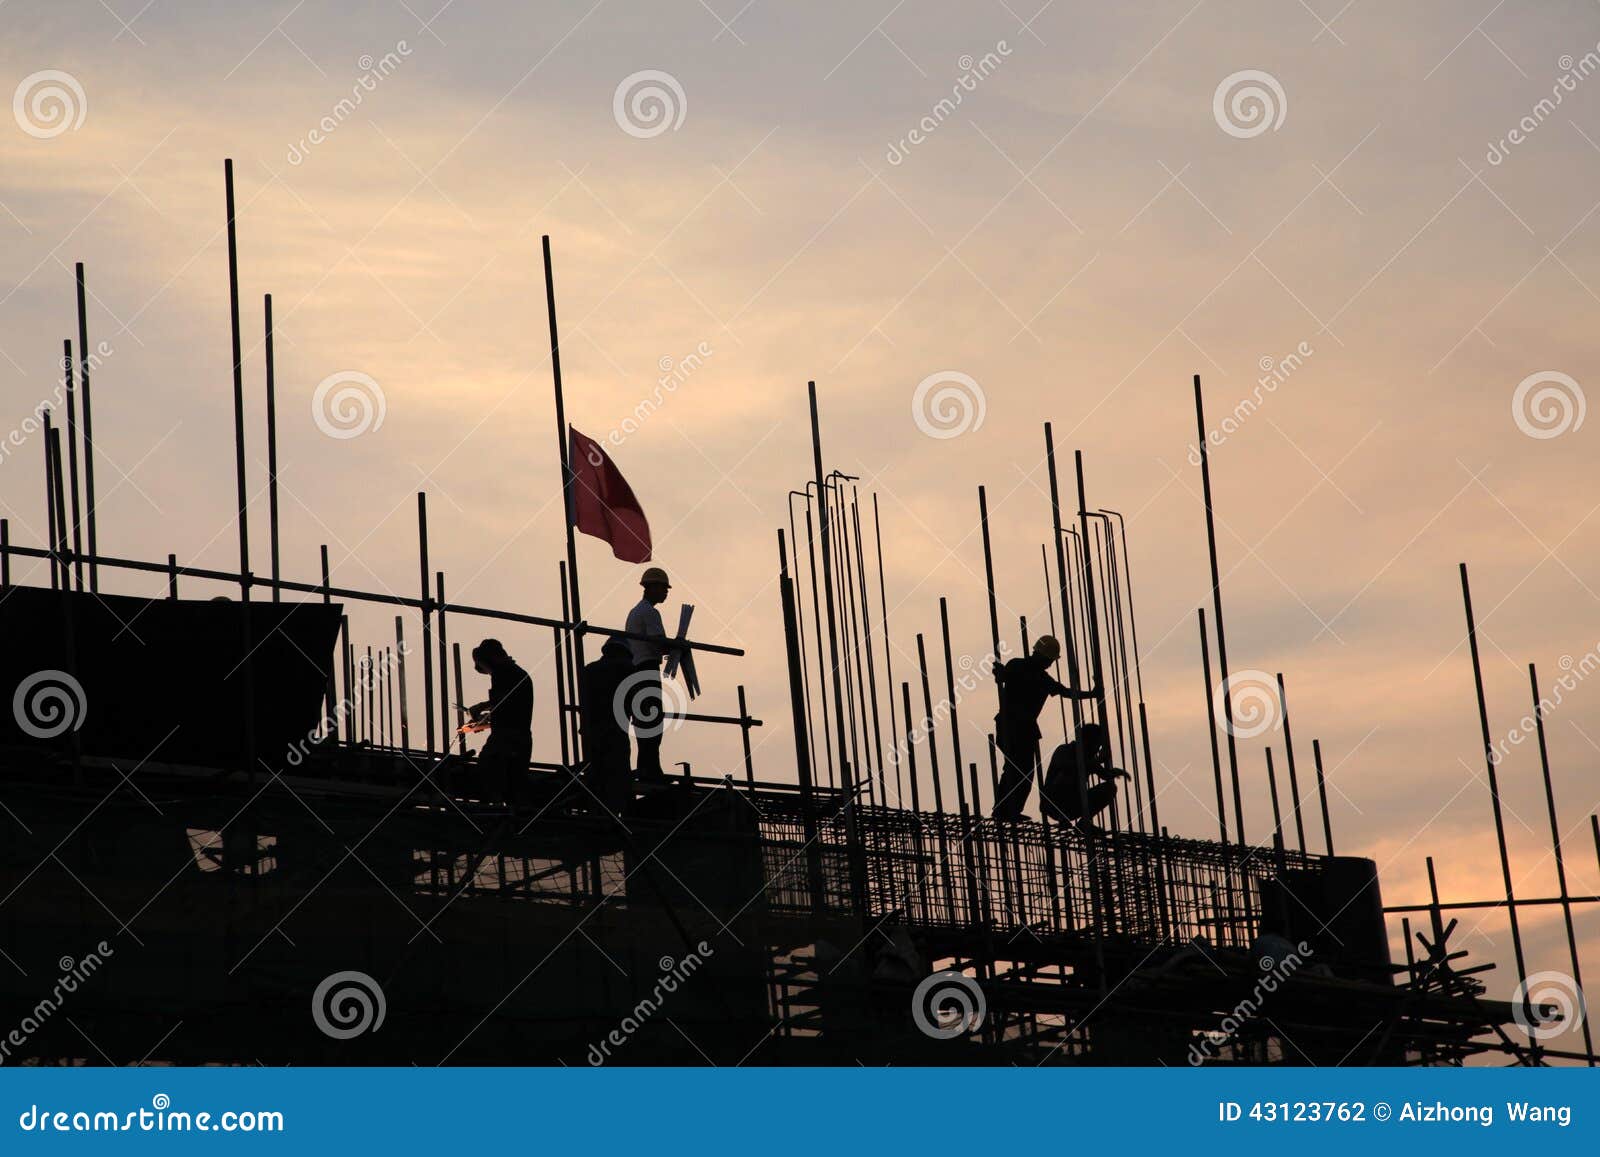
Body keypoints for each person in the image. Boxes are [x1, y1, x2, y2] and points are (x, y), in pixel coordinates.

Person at [990, 636, 1098, 821]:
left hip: (1015, 728)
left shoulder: (1023, 668)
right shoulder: (1034, 674)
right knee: (1019, 771)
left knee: (1017, 770)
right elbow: (1065, 692)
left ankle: (1006, 810)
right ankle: (1005, 811)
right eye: (1049, 660)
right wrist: (1092, 694)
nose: (1050, 664)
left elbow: (1001, 677)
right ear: (1042, 657)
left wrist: (999, 672)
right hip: (1016, 729)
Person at [623, 566, 680, 781]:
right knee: (652, 723)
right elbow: (658, 644)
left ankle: (648, 769)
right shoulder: (649, 612)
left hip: (636, 671)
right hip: (647, 670)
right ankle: (651, 771)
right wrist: (678, 645)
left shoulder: (635, 612)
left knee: (644, 722)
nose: (666, 592)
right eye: (663, 588)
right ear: (652, 587)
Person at [467, 638, 533, 806]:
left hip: (507, 737)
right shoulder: (516, 672)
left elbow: (502, 701)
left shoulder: (504, 672)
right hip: (521, 738)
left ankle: (495, 814)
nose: (487, 672)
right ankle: (512, 821)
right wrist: (484, 720)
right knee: (513, 785)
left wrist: (480, 707)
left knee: (488, 768)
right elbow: (509, 709)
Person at [579, 637, 635, 813]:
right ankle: (619, 816)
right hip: (615, 731)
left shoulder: (589, 669)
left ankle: (596, 813)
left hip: (590, 732)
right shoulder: (628, 669)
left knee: (595, 776)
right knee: (617, 776)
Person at [1039, 722, 1130, 830]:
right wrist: (1096, 761)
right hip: (1053, 804)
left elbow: (1105, 775)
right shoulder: (1064, 750)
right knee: (1067, 775)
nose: (1097, 749)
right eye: (1097, 745)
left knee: (1110, 788)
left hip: (1074, 804)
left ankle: (1084, 822)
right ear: (1087, 742)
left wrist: (1118, 772)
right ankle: (1062, 817)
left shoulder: (1089, 759)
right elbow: (1068, 766)